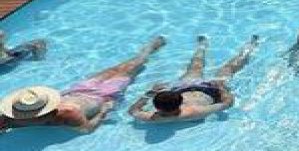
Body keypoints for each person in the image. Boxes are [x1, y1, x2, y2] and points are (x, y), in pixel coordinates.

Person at [0, 36, 164, 133]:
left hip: (84, 90)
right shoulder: (65, 113)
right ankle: (146, 51)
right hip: (102, 94)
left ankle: (148, 50)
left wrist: (103, 111)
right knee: (129, 67)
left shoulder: (13, 117)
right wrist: (105, 110)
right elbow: (87, 129)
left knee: (121, 68)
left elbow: (86, 130)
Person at [128, 35, 258, 123]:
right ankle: (249, 47)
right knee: (228, 68)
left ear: (156, 107)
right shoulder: (194, 112)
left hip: (185, 86)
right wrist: (222, 88)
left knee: (195, 67)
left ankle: (202, 45)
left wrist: (148, 93)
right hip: (209, 90)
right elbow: (227, 103)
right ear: (180, 102)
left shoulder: (154, 118)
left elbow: (133, 111)